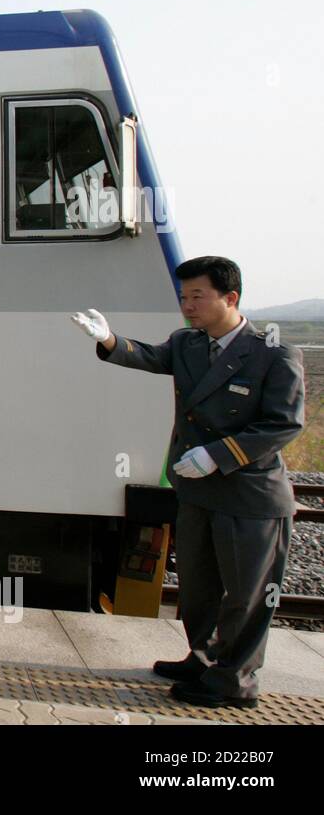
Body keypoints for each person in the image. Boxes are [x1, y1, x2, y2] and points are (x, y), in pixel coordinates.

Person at [72, 256, 305, 708]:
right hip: (198, 491)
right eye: (183, 297)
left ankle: (235, 681)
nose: (188, 306)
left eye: (197, 296)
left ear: (230, 298)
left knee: (246, 594)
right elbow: (151, 357)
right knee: (199, 587)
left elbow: (284, 424)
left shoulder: (274, 354)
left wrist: (219, 455)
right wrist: (109, 340)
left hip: (247, 494)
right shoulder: (189, 344)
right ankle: (202, 657)